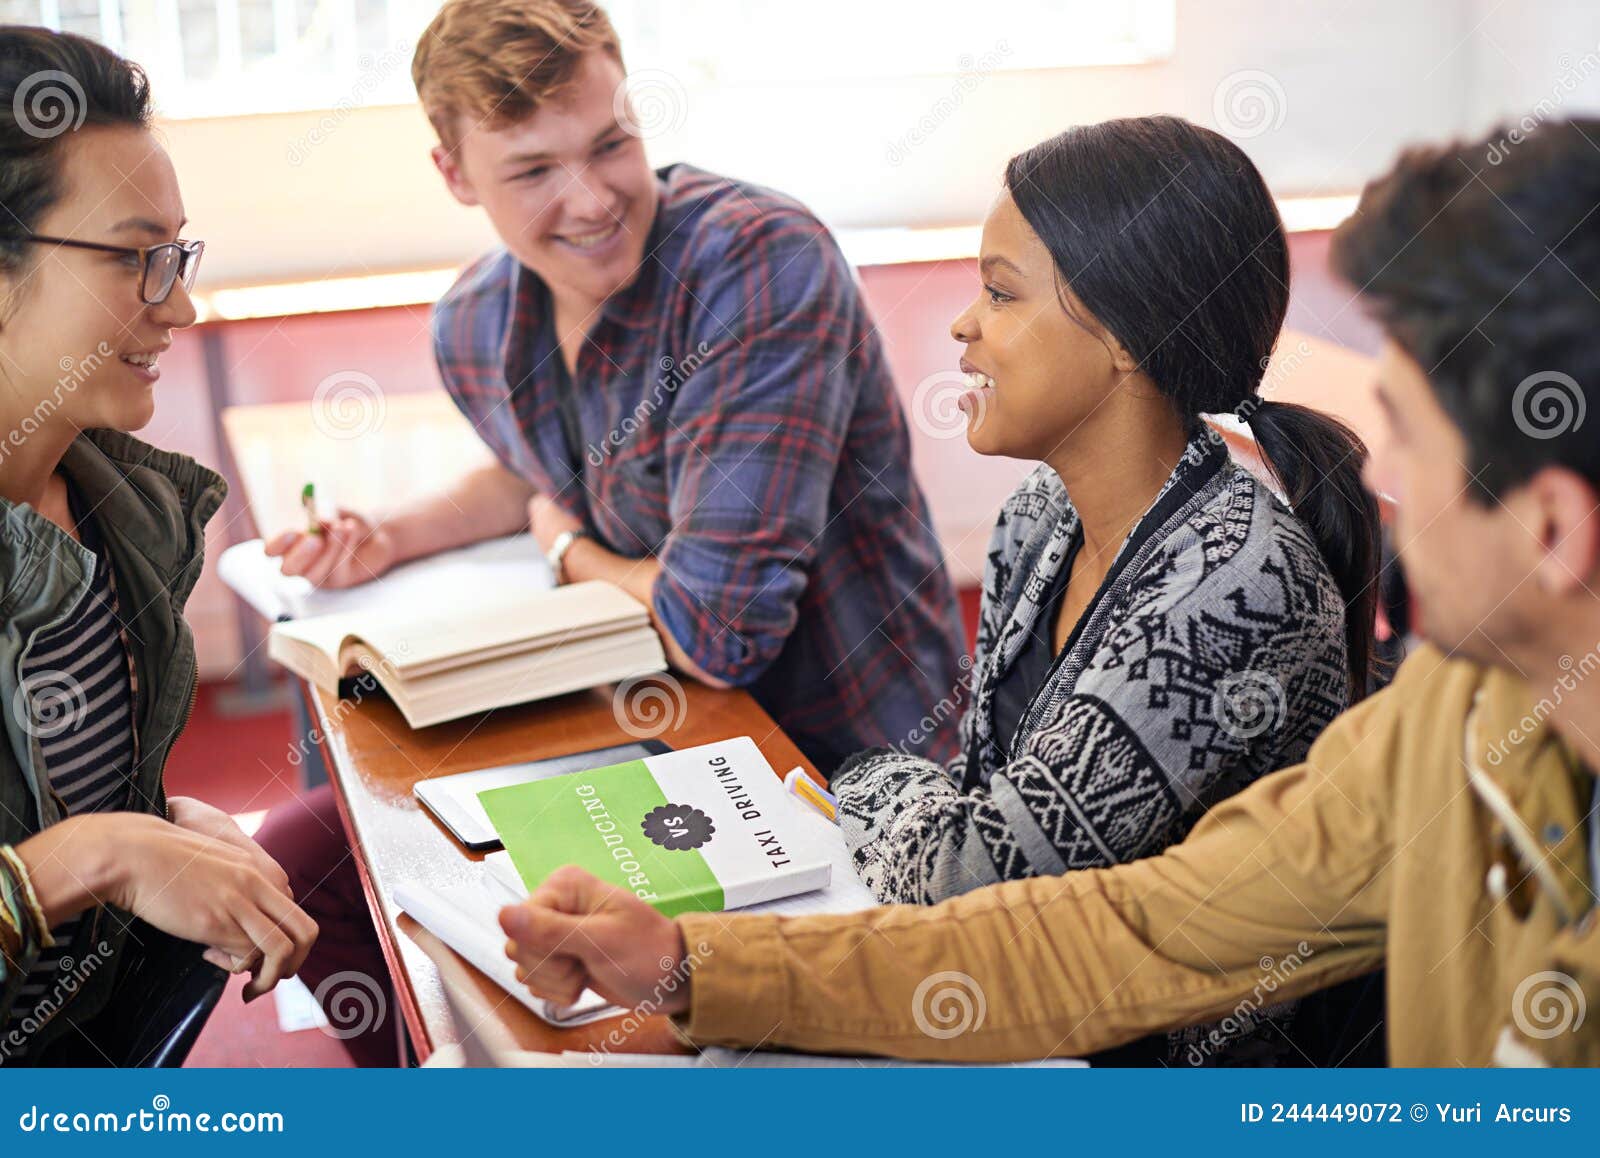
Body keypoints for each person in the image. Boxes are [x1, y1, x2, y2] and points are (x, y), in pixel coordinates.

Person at [496, 118, 1600, 1067]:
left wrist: (863, 776)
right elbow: (1124, 929)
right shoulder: (1460, 721)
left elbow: (983, 867)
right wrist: (693, 965)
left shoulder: (1244, 579)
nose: (1382, 482)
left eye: (1408, 441)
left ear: (1551, 532)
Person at [261, 0, 963, 773]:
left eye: (611, 145)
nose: (594, 201)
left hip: (856, 766)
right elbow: (551, 476)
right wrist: (392, 536)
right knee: (352, 810)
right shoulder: (473, 324)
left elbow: (720, 631)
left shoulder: (759, 264)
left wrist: (566, 548)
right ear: (455, 174)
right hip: (636, 727)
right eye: (532, 171)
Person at [0, 27, 316, 1066]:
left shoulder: (111, 511)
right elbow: (68, 848)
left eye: (175, 255)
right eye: (137, 258)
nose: (180, 304)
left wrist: (158, 825)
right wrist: (93, 857)